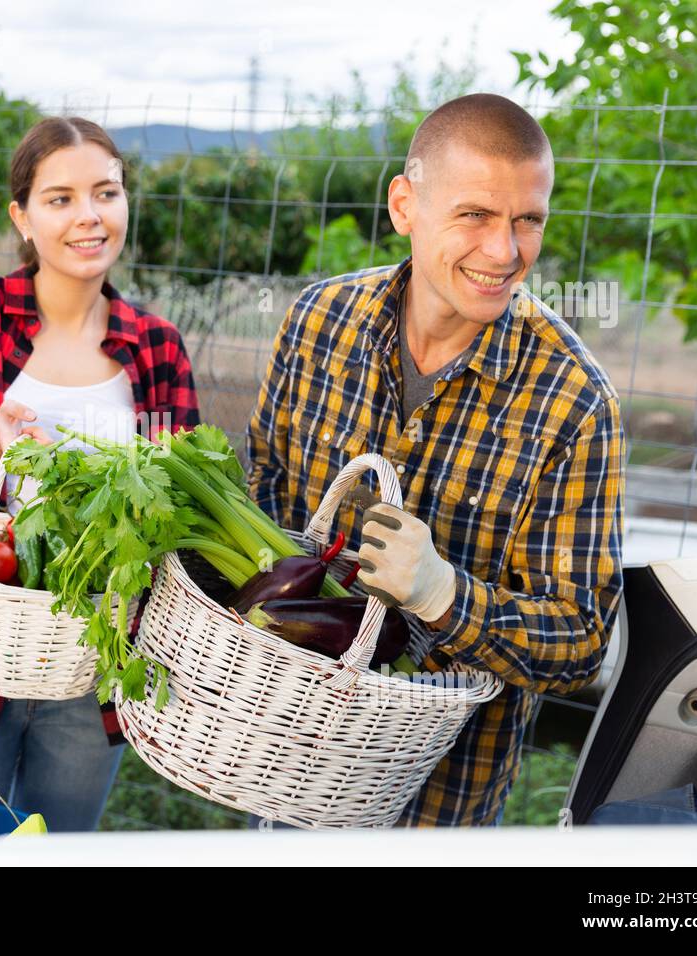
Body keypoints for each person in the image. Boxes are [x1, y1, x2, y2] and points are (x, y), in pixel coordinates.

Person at [248, 93, 626, 826]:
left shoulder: (575, 403)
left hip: (440, 806)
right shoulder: (317, 324)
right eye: (475, 215)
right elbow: (265, 489)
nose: (505, 251)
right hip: (287, 762)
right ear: (404, 205)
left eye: (529, 220)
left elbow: (581, 640)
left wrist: (443, 596)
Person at [0, 116, 200, 832]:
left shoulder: (156, 348)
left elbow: (176, 510)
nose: (89, 216)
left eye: (106, 193)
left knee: (54, 850)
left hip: (91, 670)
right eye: (60, 199)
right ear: (22, 217)